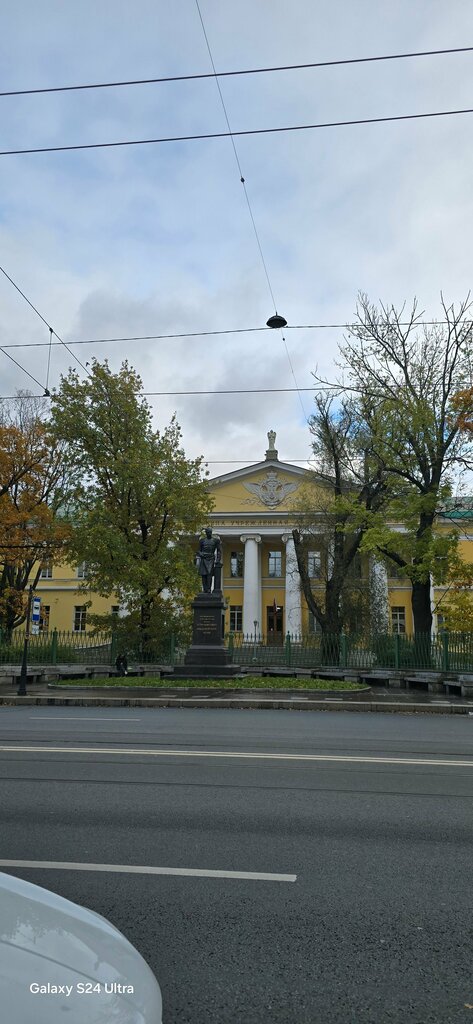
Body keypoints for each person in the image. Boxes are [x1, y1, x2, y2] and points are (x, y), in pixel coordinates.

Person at [197, 527, 221, 593]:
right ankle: (204, 589)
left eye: (210, 532)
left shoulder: (215, 541)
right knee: (203, 574)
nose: (209, 533)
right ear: (206, 533)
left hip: (211, 558)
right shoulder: (202, 541)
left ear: (211, 533)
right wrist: (200, 554)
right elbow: (199, 550)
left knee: (209, 574)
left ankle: (208, 589)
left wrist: (218, 559)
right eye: (208, 532)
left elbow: (219, 551)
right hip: (203, 558)